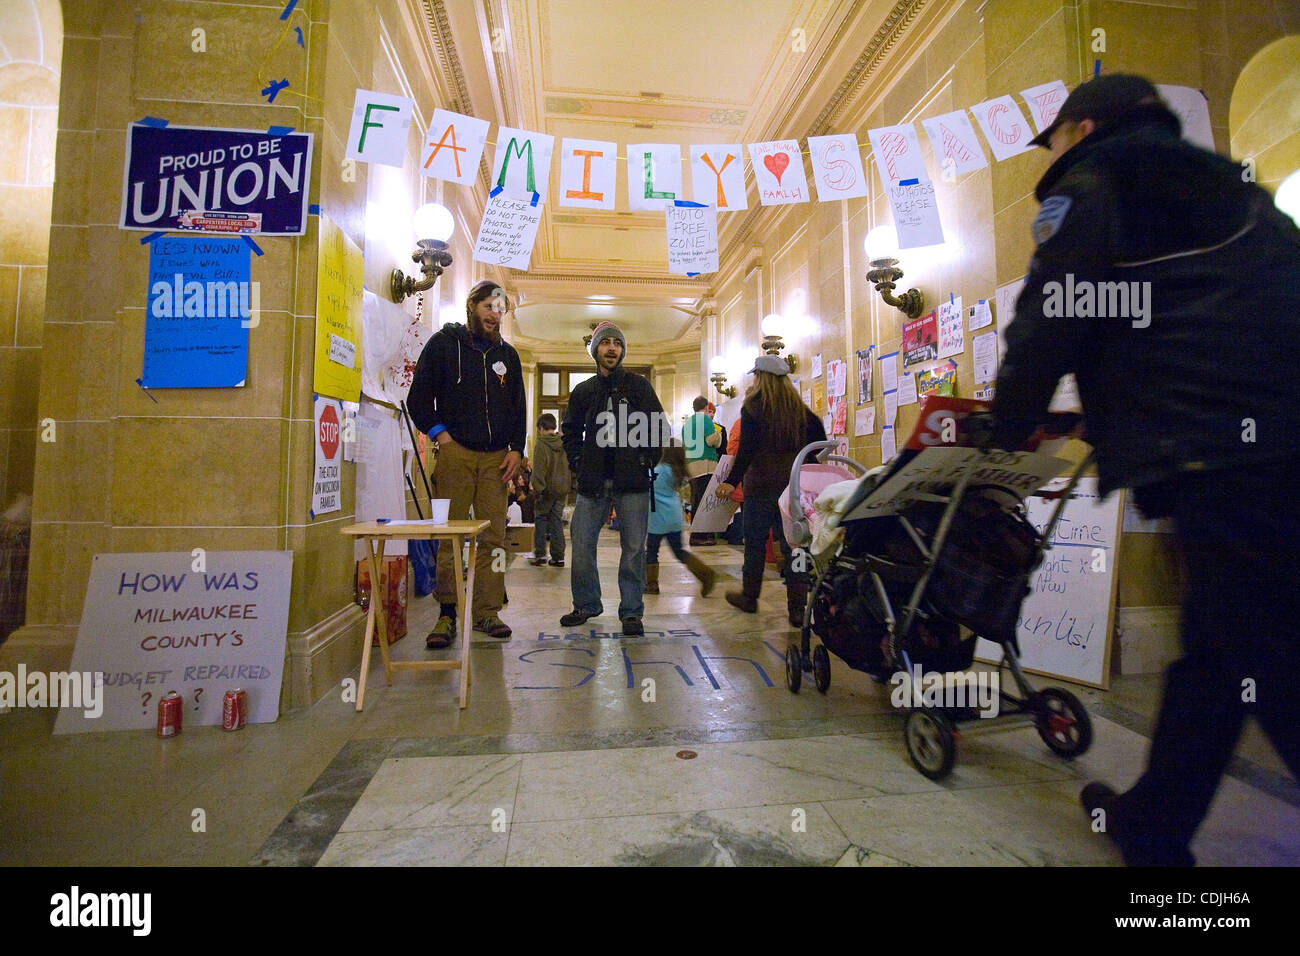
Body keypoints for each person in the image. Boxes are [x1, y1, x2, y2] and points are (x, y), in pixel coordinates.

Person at [990, 73, 1300, 866]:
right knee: (1227, 647)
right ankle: (1154, 822)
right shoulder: (1236, 193)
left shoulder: (1096, 182)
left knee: (1261, 653)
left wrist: (1003, 428)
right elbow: (1189, 316)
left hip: (1223, 452)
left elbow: (1052, 313)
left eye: (1053, 136)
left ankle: (1154, 825)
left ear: (1084, 128)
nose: (1051, 151)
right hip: (1268, 440)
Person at [407, 279, 527, 646]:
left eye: (500, 310)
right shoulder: (444, 345)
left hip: (496, 460)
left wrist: (516, 450)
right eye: (489, 306)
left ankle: (487, 612)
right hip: (455, 454)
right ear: (472, 305)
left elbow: (519, 409)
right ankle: (446, 614)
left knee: (494, 538)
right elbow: (418, 399)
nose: (495, 315)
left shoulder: (508, 355)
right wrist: (441, 434)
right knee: (450, 535)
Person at [560, 321, 666, 636]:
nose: (611, 348)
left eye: (617, 344)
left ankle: (632, 612)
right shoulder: (584, 391)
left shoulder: (639, 387)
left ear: (622, 350)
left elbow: (658, 425)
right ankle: (586, 605)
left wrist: (647, 459)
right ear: (595, 350)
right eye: (605, 343)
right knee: (581, 544)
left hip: (631, 482)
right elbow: (570, 431)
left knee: (634, 547)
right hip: (592, 483)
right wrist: (578, 461)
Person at [716, 354, 826, 624]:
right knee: (796, 547)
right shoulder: (802, 412)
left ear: (761, 378)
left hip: (761, 488)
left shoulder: (753, 408)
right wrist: (806, 467)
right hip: (793, 490)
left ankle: (750, 597)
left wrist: (731, 480)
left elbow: (746, 451)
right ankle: (798, 608)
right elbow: (820, 445)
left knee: (754, 544)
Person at [645, 440, 717, 597]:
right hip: (674, 518)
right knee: (679, 552)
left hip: (658, 518)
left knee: (651, 551)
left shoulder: (659, 470)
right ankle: (705, 573)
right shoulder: (680, 472)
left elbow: (647, 483)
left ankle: (651, 584)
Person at [529, 413, 569, 567]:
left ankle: (540, 555)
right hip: (562, 487)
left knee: (540, 518)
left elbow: (539, 469)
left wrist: (537, 489)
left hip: (547, 489)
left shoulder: (542, 444)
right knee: (556, 521)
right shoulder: (563, 442)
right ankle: (558, 557)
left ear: (540, 428)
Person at [682, 396, 722, 545]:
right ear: (706, 407)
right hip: (705, 464)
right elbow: (711, 441)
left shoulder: (687, 423)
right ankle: (701, 536)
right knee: (705, 501)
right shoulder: (705, 420)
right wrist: (719, 435)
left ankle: (697, 534)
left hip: (691, 465)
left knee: (696, 500)